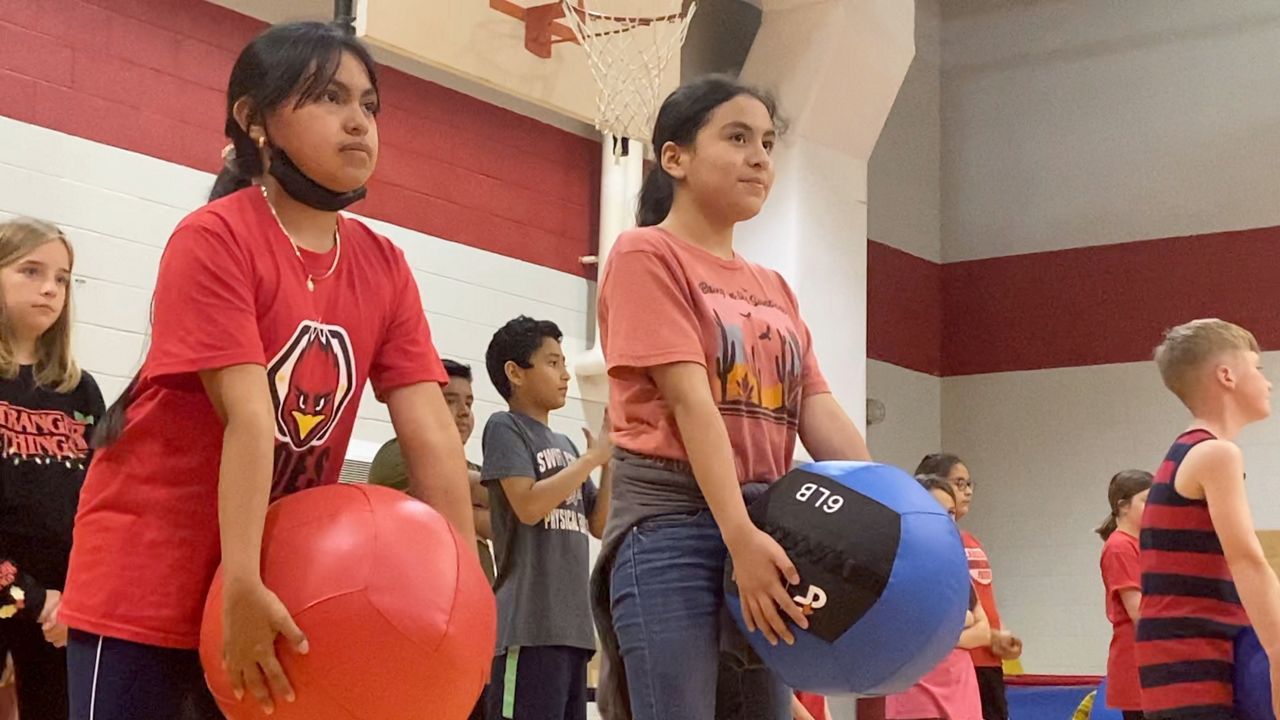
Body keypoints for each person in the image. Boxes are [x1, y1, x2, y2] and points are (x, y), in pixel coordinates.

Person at [57, 22, 475, 719]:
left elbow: (433, 439)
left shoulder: (384, 264)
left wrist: (462, 598)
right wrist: (242, 586)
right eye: (328, 98)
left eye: (369, 105)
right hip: (151, 581)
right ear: (254, 121)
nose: (358, 122)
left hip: (282, 585)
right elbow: (252, 420)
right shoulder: (216, 237)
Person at [591, 75, 871, 720]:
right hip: (673, 527)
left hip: (766, 525)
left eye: (768, 144)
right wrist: (739, 538)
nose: (759, 159)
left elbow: (816, 409)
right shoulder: (646, 253)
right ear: (675, 158)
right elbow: (693, 407)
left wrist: (890, 512)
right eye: (738, 138)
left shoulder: (773, 285)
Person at [1139, 319, 1280, 719]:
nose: (1267, 383)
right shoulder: (1215, 454)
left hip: (1183, 655)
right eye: (1259, 369)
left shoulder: (1187, 452)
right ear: (1227, 375)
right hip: (1191, 659)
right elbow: (1248, 561)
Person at [481, 315, 611, 720]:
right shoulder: (505, 427)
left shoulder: (567, 444)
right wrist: (592, 458)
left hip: (572, 630)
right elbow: (529, 505)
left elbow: (599, 524)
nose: (566, 375)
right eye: (553, 363)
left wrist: (610, 460)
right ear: (515, 373)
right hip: (527, 628)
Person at [0, 219, 104, 720]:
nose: (50, 288)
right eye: (31, 271)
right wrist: (30, 597)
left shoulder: (80, 391)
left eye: (62, 278)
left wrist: (75, 598)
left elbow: (104, 501)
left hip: (62, 605)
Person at [914, 453, 1021, 720]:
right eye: (959, 483)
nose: (967, 491)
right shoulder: (926, 553)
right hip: (952, 666)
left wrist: (996, 635)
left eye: (969, 484)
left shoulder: (969, 541)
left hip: (986, 660)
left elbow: (979, 604)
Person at [370, 357, 495, 584]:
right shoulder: (398, 452)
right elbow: (484, 491)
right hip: (415, 594)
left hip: (477, 600)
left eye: (469, 403)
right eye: (451, 401)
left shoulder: (474, 467)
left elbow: (503, 524)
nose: (464, 412)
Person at [885, 475, 986, 720]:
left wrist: (944, 632)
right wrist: (963, 621)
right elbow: (910, 629)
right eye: (935, 511)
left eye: (950, 513)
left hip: (961, 692)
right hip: (917, 696)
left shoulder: (956, 565)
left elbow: (983, 631)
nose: (946, 520)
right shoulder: (895, 565)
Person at [1096, 469, 1151, 720]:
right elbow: (1138, 611)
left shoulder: (1144, 543)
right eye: (1146, 500)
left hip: (1152, 657)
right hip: (1137, 661)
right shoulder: (1119, 547)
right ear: (1123, 506)